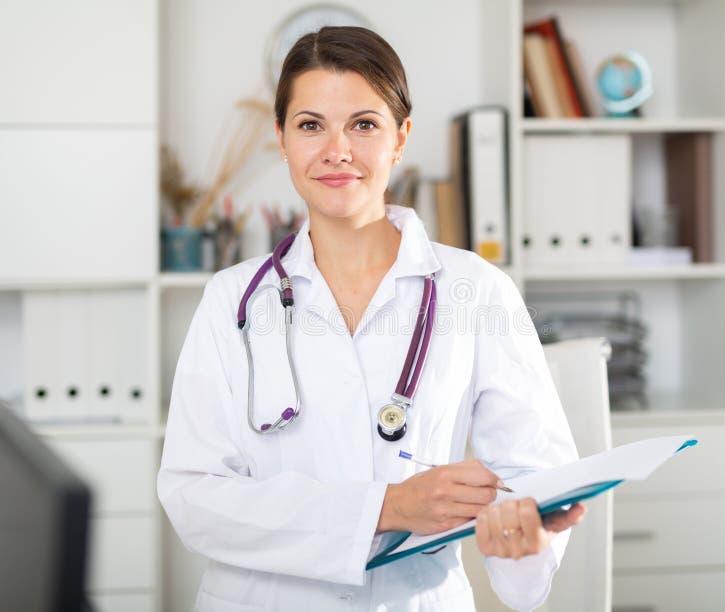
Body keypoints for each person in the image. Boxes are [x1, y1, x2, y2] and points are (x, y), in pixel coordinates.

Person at [158, 25, 584, 612]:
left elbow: (533, 475)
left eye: (364, 124)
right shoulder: (231, 300)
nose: (338, 151)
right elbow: (194, 498)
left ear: (400, 137)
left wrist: (522, 542)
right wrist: (388, 507)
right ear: (281, 139)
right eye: (311, 125)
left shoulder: (478, 292)